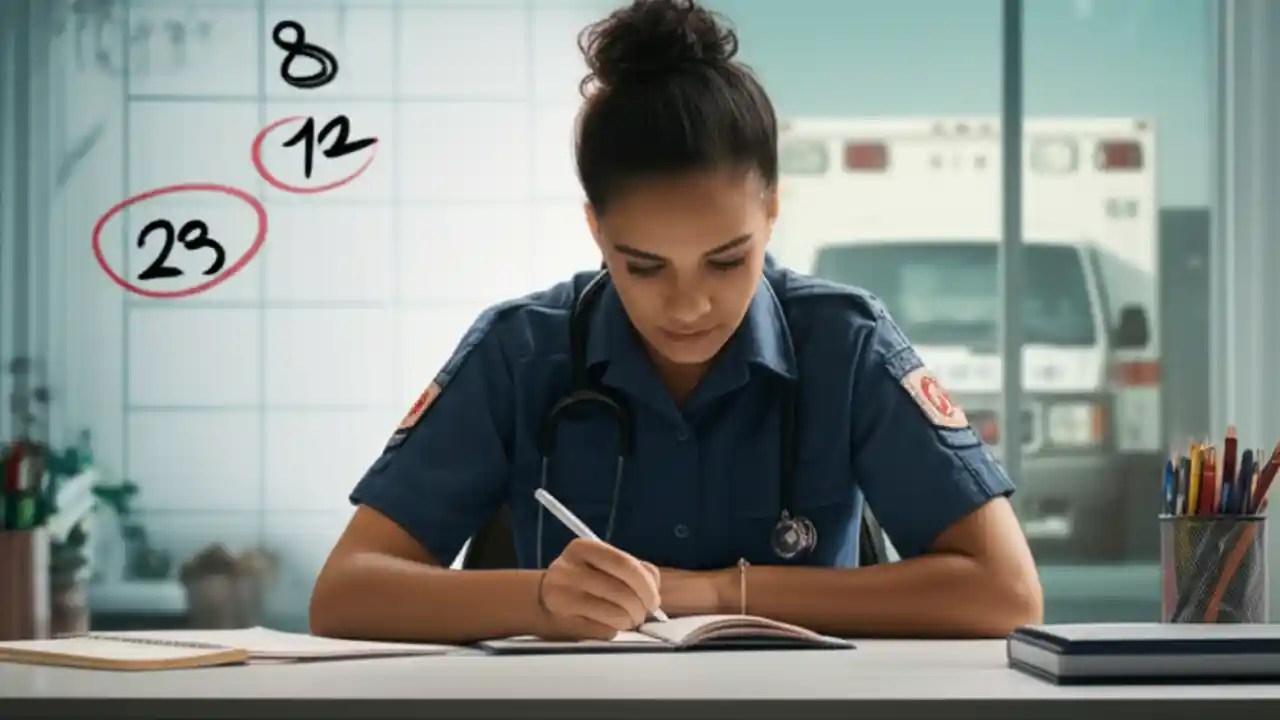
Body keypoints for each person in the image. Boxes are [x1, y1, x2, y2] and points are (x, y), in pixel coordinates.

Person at [310, 0, 1042, 645]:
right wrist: (538, 599)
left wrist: (719, 591)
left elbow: (1005, 592)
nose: (689, 307)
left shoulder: (845, 343)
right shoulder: (520, 351)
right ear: (597, 232)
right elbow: (346, 592)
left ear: (772, 214)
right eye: (645, 267)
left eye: (726, 262)